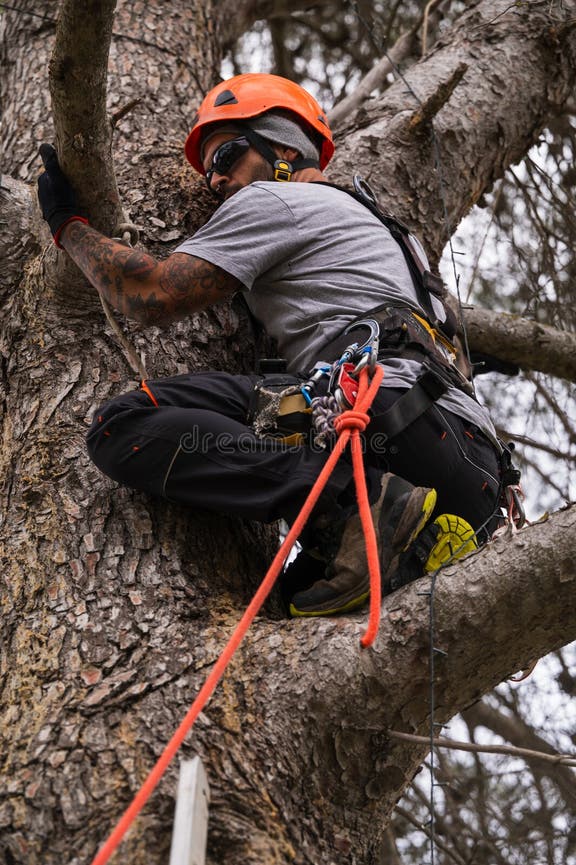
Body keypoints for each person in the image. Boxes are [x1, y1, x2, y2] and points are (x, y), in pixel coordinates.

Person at [37, 73, 506, 617]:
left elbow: (151, 292)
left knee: (126, 423)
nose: (214, 179)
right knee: (282, 609)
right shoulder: (382, 231)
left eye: (227, 155)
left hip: (379, 417)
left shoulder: (276, 201)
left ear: (284, 147)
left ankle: (355, 506)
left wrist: (67, 225)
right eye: (210, 167)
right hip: (464, 462)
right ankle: (375, 522)